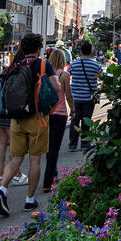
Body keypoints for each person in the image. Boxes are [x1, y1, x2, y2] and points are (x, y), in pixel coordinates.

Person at [0, 33, 58, 216]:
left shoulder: (16, 65)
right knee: (35, 159)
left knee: (15, 159)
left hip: (17, 119)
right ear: (38, 49)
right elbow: (56, 87)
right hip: (37, 118)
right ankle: (29, 199)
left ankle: (2, 190)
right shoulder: (43, 64)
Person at [0, 61, 29, 187]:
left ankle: (1, 175)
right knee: (13, 144)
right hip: (9, 113)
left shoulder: (0, 80)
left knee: (2, 143)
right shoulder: (13, 80)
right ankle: (17, 175)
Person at [42, 47, 75, 193]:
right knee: (55, 148)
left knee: (49, 147)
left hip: (47, 114)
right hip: (60, 114)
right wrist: (73, 110)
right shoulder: (64, 75)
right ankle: (48, 181)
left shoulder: (45, 75)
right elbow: (68, 96)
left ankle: (53, 174)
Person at [67, 40, 104, 152]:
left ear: (81, 51)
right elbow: (103, 78)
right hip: (89, 98)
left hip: (75, 97)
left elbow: (67, 75)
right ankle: (85, 142)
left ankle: (73, 144)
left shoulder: (74, 64)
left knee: (74, 120)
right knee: (86, 121)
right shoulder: (96, 65)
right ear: (91, 51)